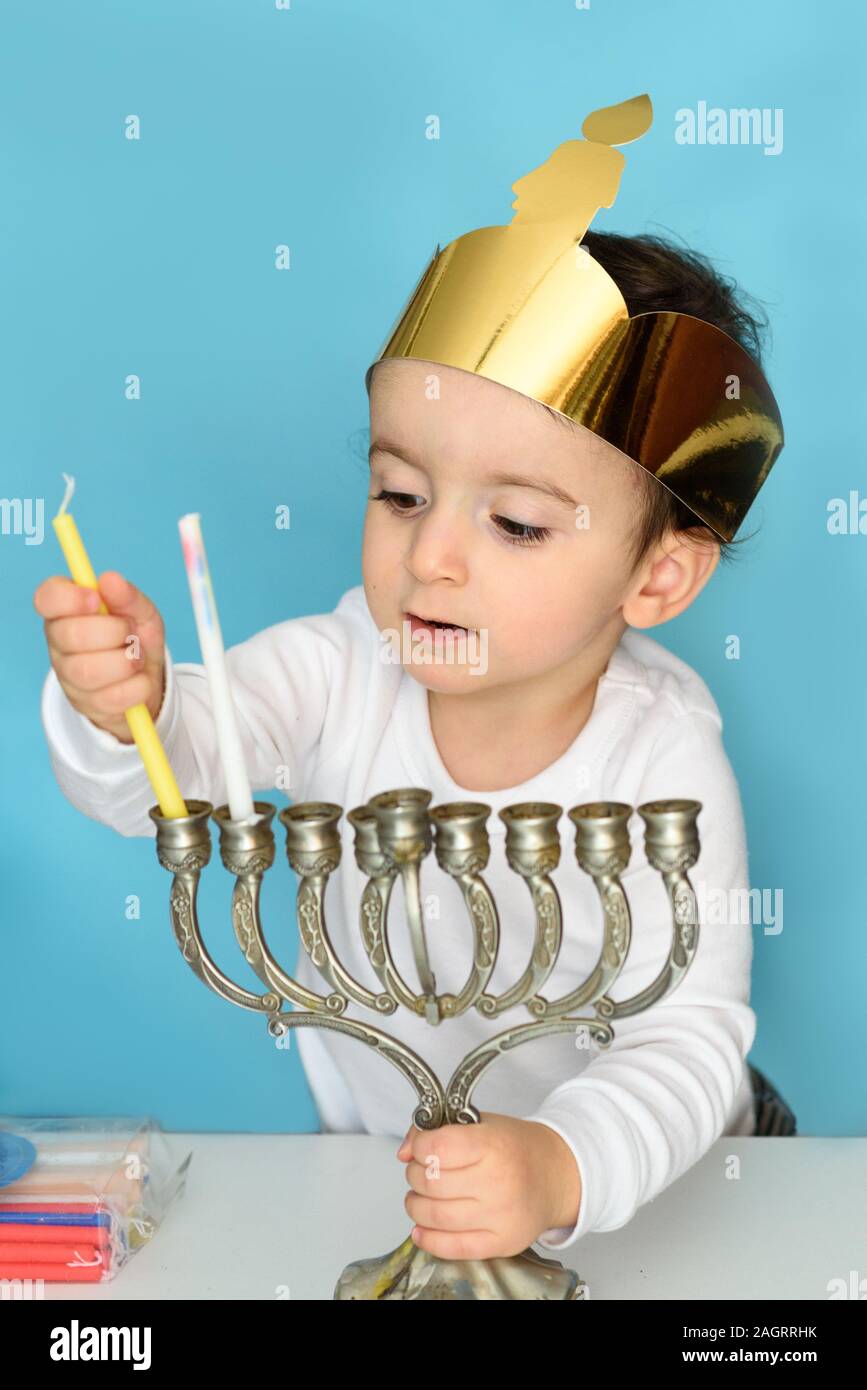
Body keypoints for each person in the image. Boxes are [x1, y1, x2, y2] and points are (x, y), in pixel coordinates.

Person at [33, 99, 786, 1263]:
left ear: (657, 578)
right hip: (398, 1182)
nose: (431, 555)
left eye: (518, 524)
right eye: (400, 493)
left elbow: (691, 1035)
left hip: (670, 1186)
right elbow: (178, 770)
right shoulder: (343, 663)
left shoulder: (660, 749)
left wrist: (558, 1162)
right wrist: (129, 702)